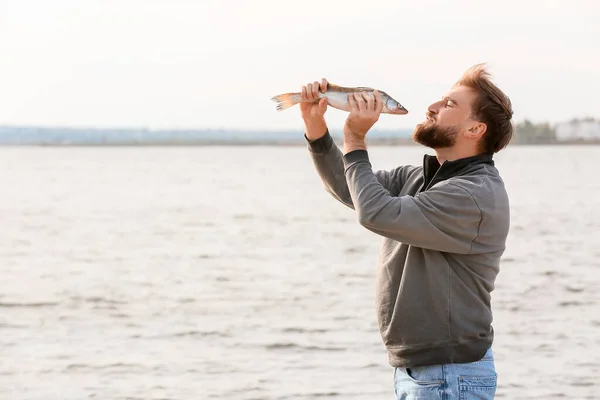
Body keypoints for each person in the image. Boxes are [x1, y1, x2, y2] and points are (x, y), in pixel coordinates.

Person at [300, 64, 513, 399]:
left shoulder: (473, 194)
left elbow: (375, 213)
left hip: (448, 374)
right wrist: (316, 128)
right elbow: (350, 187)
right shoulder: (419, 178)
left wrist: (355, 138)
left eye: (449, 105)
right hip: (423, 371)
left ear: (475, 129)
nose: (432, 106)